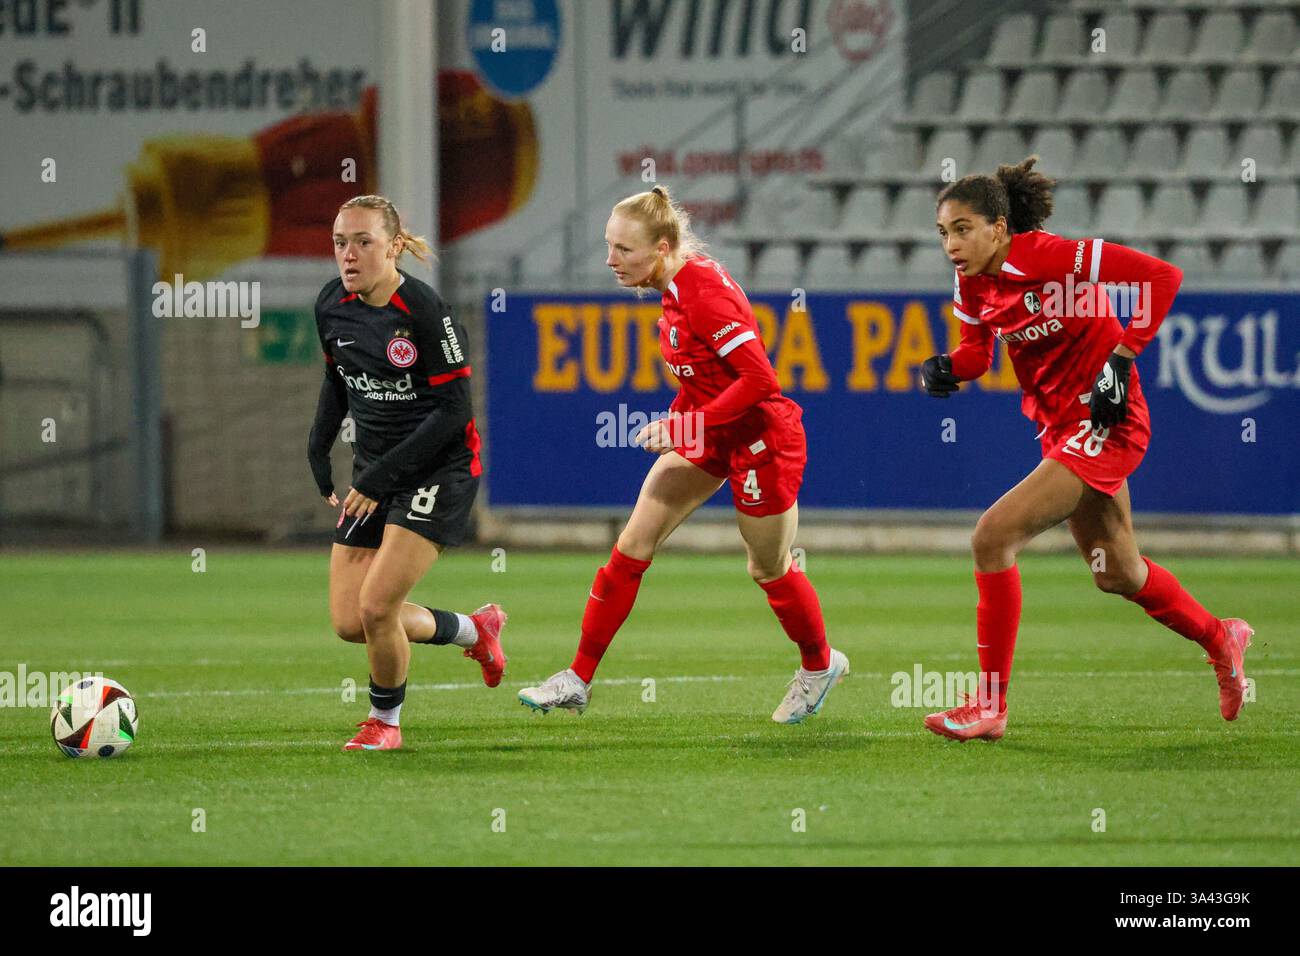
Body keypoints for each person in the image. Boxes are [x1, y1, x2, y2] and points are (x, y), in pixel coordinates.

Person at [920, 156, 1252, 741]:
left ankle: (990, 705)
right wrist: (947, 367)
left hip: (1105, 423)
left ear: (1000, 227)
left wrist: (1120, 360)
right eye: (944, 232)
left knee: (992, 537)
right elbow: (977, 351)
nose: (952, 244)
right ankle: (1220, 637)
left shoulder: (1048, 257)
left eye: (963, 229)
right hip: (1059, 428)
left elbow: (1161, 277)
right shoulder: (971, 280)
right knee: (1117, 573)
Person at [518, 185, 849, 723]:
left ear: (663, 246)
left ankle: (819, 664)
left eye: (624, 249)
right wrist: (681, 418)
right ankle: (577, 679)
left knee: (768, 567)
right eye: (609, 245)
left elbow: (761, 381)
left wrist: (686, 425)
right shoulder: (673, 290)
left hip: (762, 441)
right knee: (632, 544)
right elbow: (707, 376)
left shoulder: (702, 293)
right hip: (713, 433)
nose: (611, 260)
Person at [308, 194, 506, 752]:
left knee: (376, 607)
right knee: (351, 621)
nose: (349, 255)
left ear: (394, 246)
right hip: (375, 472)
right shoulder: (331, 304)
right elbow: (338, 380)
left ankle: (384, 723)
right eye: (340, 242)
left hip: (438, 471)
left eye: (363, 242)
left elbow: (454, 411)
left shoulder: (425, 311)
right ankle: (473, 629)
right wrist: (318, 446)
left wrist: (376, 479)